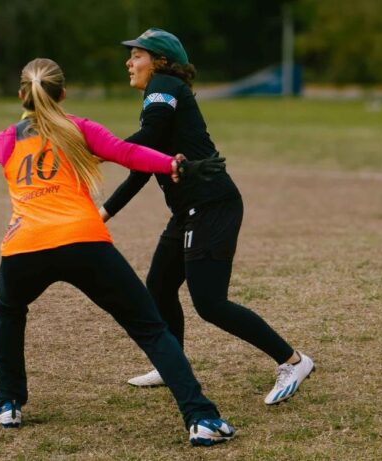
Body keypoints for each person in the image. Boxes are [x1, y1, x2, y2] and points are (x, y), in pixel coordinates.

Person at [0, 58, 235, 446]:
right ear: (62, 94)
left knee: (9, 311)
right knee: (151, 328)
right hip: (85, 241)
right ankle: (201, 418)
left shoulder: (7, 138)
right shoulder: (80, 128)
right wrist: (173, 164)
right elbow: (127, 152)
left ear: (22, 96)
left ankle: (7, 402)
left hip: (25, 246)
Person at [99, 28, 314, 405]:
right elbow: (143, 166)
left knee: (210, 303)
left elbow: (147, 137)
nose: (129, 62)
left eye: (137, 55)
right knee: (160, 286)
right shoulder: (161, 95)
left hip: (212, 206)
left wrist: (100, 150)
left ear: (160, 61)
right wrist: (103, 213)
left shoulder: (163, 85)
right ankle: (172, 366)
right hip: (190, 210)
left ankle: (293, 361)